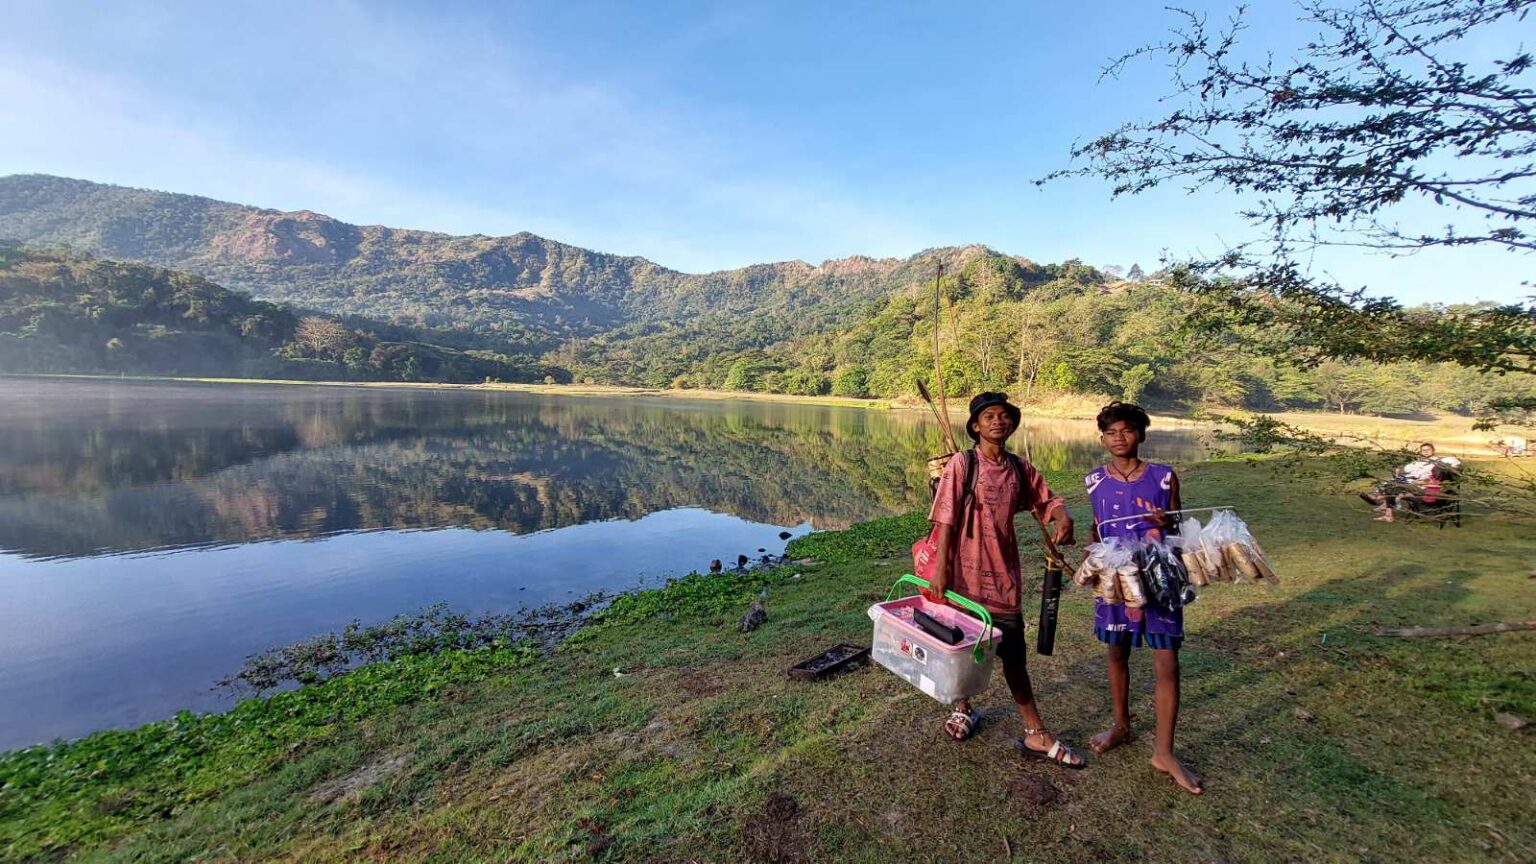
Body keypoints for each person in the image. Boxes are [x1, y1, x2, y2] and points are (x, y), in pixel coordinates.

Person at [927, 392, 1084, 769]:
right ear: (975, 426)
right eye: (989, 417)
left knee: (1014, 654)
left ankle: (1035, 731)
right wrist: (941, 568)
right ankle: (964, 708)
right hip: (962, 576)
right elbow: (945, 517)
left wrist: (1062, 516)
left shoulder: (1019, 468)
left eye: (1004, 416)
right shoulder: (962, 465)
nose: (998, 421)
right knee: (963, 648)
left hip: (1003, 577)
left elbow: (1045, 499)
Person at [1083, 401, 1203, 795]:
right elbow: (1097, 527)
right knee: (1116, 652)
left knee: (1166, 661)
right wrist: (1091, 550)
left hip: (1159, 576)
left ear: (1140, 435)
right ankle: (1121, 725)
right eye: (1111, 432)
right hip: (1117, 579)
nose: (1119, 438)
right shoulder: (1094, 480)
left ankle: (1164, 751)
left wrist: (1165, 524)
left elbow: (1178, 526)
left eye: (1127, 431)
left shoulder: (1165, 477)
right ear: (1102, 438)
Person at [1362, 442, 1462, 522]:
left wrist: (1455, 467)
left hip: (1421, 486)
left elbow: (1455, 462)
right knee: (1391, 483)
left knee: (1392, 487)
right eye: (1423, 450)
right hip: (1410, 480)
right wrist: (1399, 472)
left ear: (1433, 450)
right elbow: (1406, 469)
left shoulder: (1438, 461)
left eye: (1428, 450)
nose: (1426, 452)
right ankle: (1383, 503)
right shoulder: (1418, 461)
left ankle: (1379, 500)